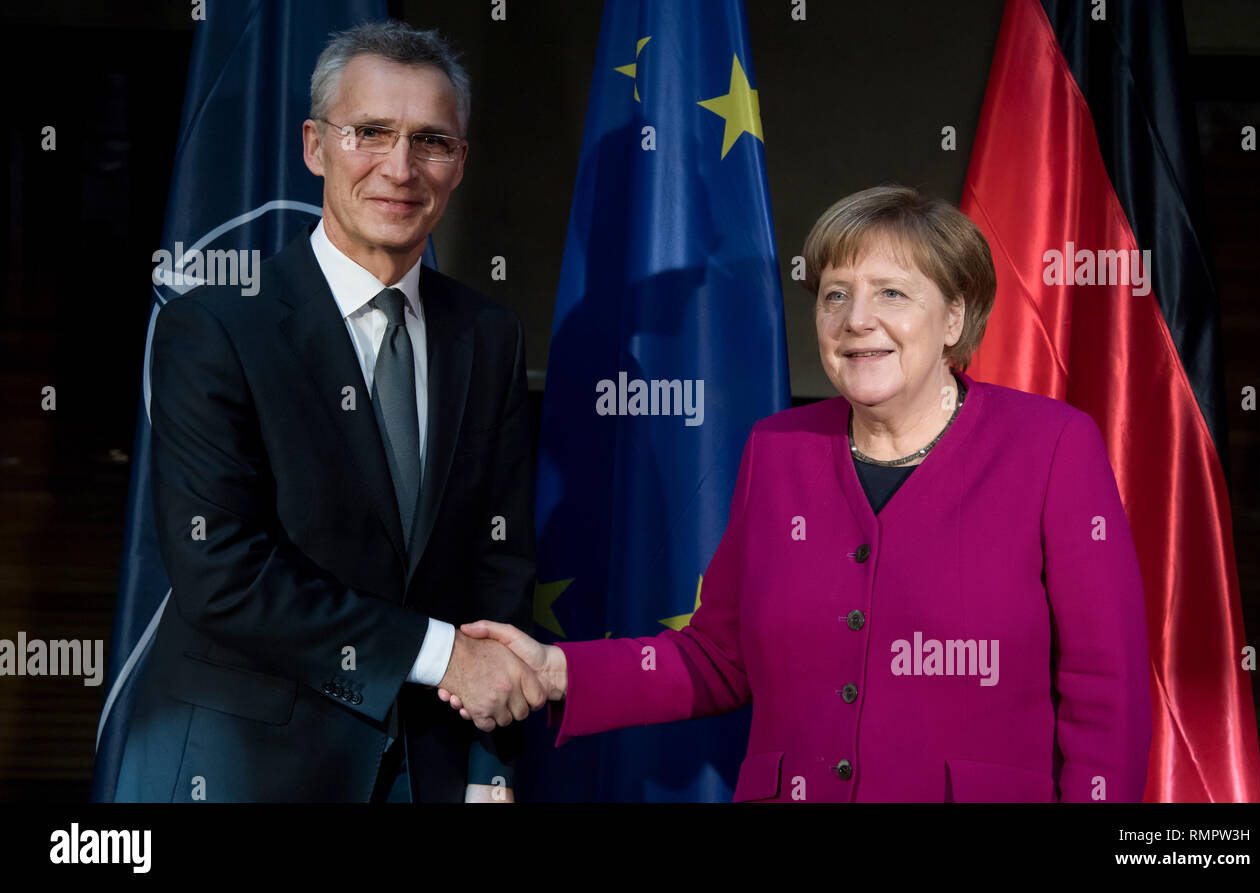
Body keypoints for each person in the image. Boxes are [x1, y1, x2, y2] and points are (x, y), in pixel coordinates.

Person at [443, 185, 1153, 802]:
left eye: (892, 293)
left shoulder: (1053, 446)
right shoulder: (777, 449)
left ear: (957, 318)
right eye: (835, 294)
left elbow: (1106, 691)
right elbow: (716, 657)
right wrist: (553, 667)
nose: (855, 319)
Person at [114, 20, 544, 803]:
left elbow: (497, 569)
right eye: (370, 133)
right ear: (316, 146)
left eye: (431, 142)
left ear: (459, 164)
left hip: (433, 771)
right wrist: (441, 653)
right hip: (242, 768)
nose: (399, 168)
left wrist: (488, 763)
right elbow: (225, 575)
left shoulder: (489, 335)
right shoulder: (215, 329)